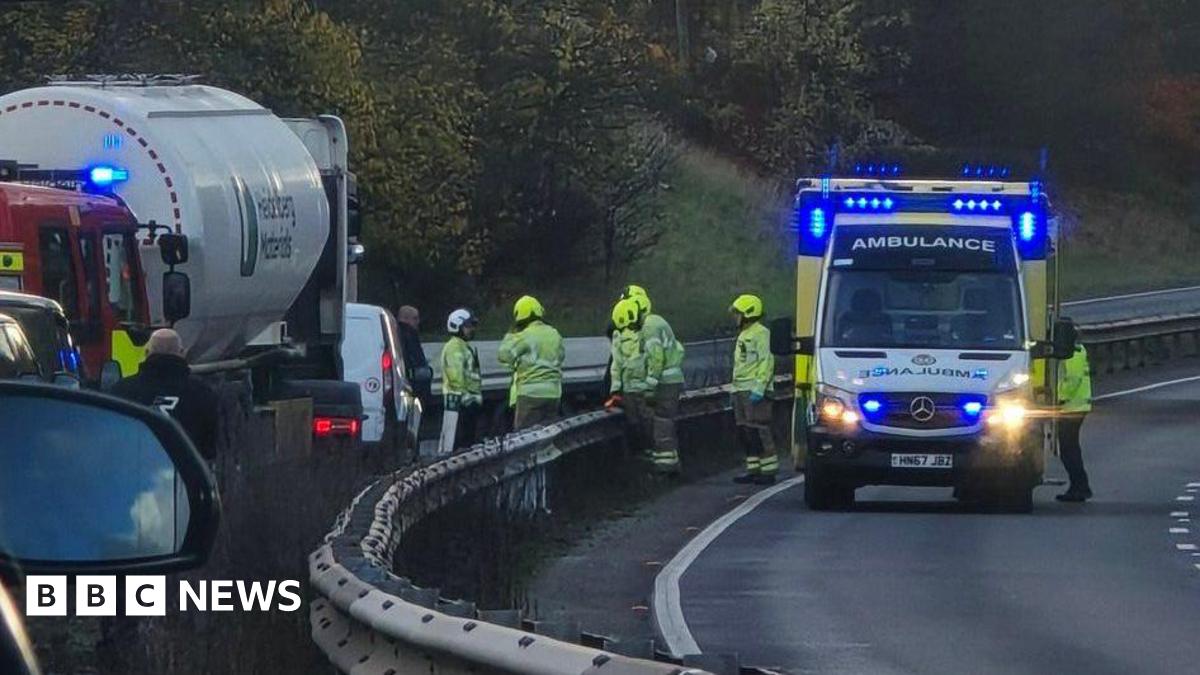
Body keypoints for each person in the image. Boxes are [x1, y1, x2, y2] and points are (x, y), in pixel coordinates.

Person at [111, 328, 220, 460]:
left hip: (137, 471)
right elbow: (211, 446)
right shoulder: (203, 393)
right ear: (182, 353)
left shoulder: (121, 391)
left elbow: (114, 441)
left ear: (146, 353)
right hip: (185, 474)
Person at [624, 286, 686, 475]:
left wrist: (650, 385)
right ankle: (672, 463)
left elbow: (656, 358)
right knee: (665, 422)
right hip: (670, 379)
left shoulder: (649, 327)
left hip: (664, 381)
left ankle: (664, 469)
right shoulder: (656, 322)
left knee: (661, 422)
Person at [730, 294, 778, 485]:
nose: (736, 318)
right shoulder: (744, 334)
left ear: (748, 314)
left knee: (759, 429)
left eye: (738, 314)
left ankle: (768, 470)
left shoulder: (761, 334)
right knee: (745, 431)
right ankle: (753, 469)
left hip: (754, 389)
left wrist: (760, 388)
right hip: (741, 389)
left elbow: (766, 362)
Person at [497, 295, 565, 429]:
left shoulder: (525, 336)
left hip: (530, 395)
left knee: (524, 438)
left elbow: (504, 356)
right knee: (548, 435)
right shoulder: (554, 333)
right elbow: (561, 356)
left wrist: (511, 333)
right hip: (553, 393)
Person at [606, 298, 653, 461]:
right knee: (643, 419)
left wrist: (615, 389)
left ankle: (643, 450)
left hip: (632, 389)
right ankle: (646, 450)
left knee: (637, 420)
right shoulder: (640, 335)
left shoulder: (621, 338)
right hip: (638, 389)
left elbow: (616, 366)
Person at [1056, 319, 1093, 502]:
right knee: (1070, 448)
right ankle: (1079, 486)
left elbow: (1072, 379)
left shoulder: (1073, 352)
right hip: (1075, 406)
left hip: (1072, 406)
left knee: (1069, 449)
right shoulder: (1075, 349)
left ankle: (1080, 486)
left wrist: (1059, 398)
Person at [438, 308, 482, 455]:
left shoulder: (462, 346)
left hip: (464, 404)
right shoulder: (455, 347)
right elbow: (456, 378)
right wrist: (469, 401)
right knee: (460, 447)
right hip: (461, 405)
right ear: (457, 327)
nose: (471, 330)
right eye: (468, 326)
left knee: (466, 445)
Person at [395, 305, 432, 407]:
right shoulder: (409, 335)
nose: (418, 322)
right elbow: (414, 359)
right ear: (405, 318)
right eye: (415, 318)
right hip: (413, 386)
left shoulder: (396, 333)